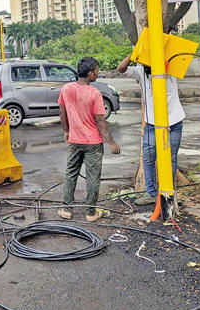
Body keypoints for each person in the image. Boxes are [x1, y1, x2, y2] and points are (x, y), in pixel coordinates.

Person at [58, 57, 121, 222]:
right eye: (97, 71)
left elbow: (62, 113)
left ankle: (66, 209)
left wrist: (66, 131)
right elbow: (100, 120)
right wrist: (112, 142)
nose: (97, 74)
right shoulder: (94, 93)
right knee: (93, 177)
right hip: (93, 143)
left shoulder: (66, 89)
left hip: (74, 140)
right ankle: (91, 212)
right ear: (90, 73)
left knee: (71, 173)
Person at [117, 54, 184, 206]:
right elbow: (121, 68)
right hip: (152, 124)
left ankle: (168, 192)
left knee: (171, 158)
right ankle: (151, 193)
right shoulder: (141, 72)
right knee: (148, 158)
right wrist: (135, 54)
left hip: (174, 121)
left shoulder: (170, 70)